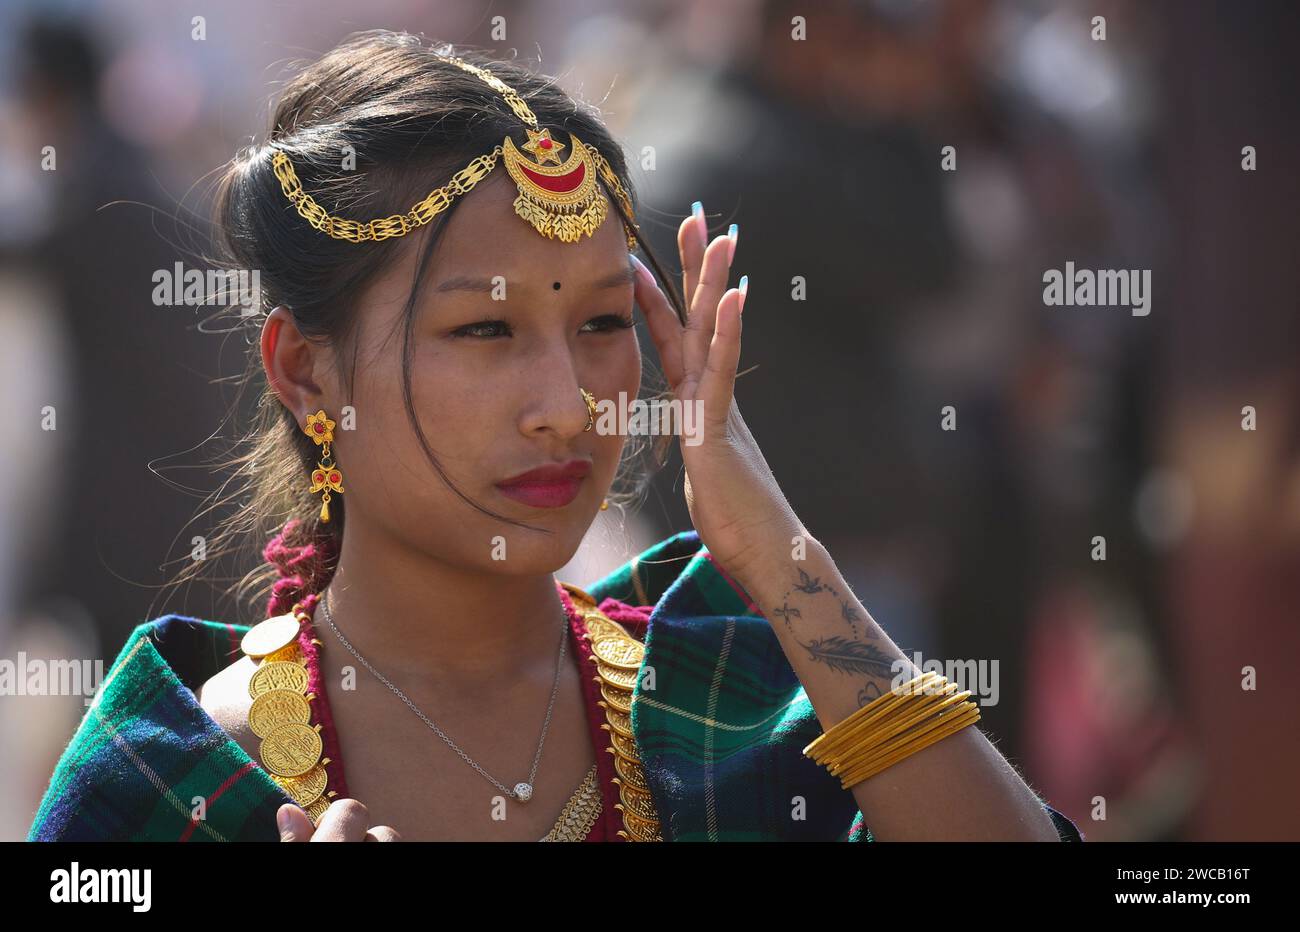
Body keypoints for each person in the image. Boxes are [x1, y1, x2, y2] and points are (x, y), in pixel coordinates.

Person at [27, 30, 1081, 842]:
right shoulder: (190, 775)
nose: (569, 403)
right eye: (484, 327)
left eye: (601, 325)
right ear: (306, 370)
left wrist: (782, 558)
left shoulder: (734, 696)